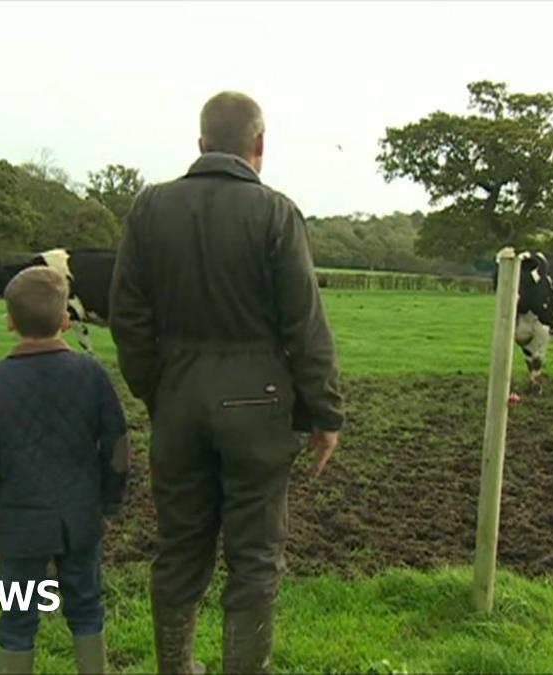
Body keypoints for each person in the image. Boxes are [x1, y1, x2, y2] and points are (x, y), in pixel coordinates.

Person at [109, 91, 344, 673]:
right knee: (256, 556)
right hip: (259, 405)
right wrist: (325, 413)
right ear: (259, 145)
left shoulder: (148, 208)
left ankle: (177, 667)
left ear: (200, 145)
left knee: (179, 547)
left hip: (179, 401)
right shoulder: (277, 213)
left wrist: (158, 390)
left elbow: (128, 316)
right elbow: (304, 323)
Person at [0, 266, 130, 674]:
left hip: (19, 528)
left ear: (9, 323)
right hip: (81, 519)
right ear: (67, 320)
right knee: (87, 607)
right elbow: (119, 447)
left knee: (17, 621)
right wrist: (110, 500)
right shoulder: (93, 375)